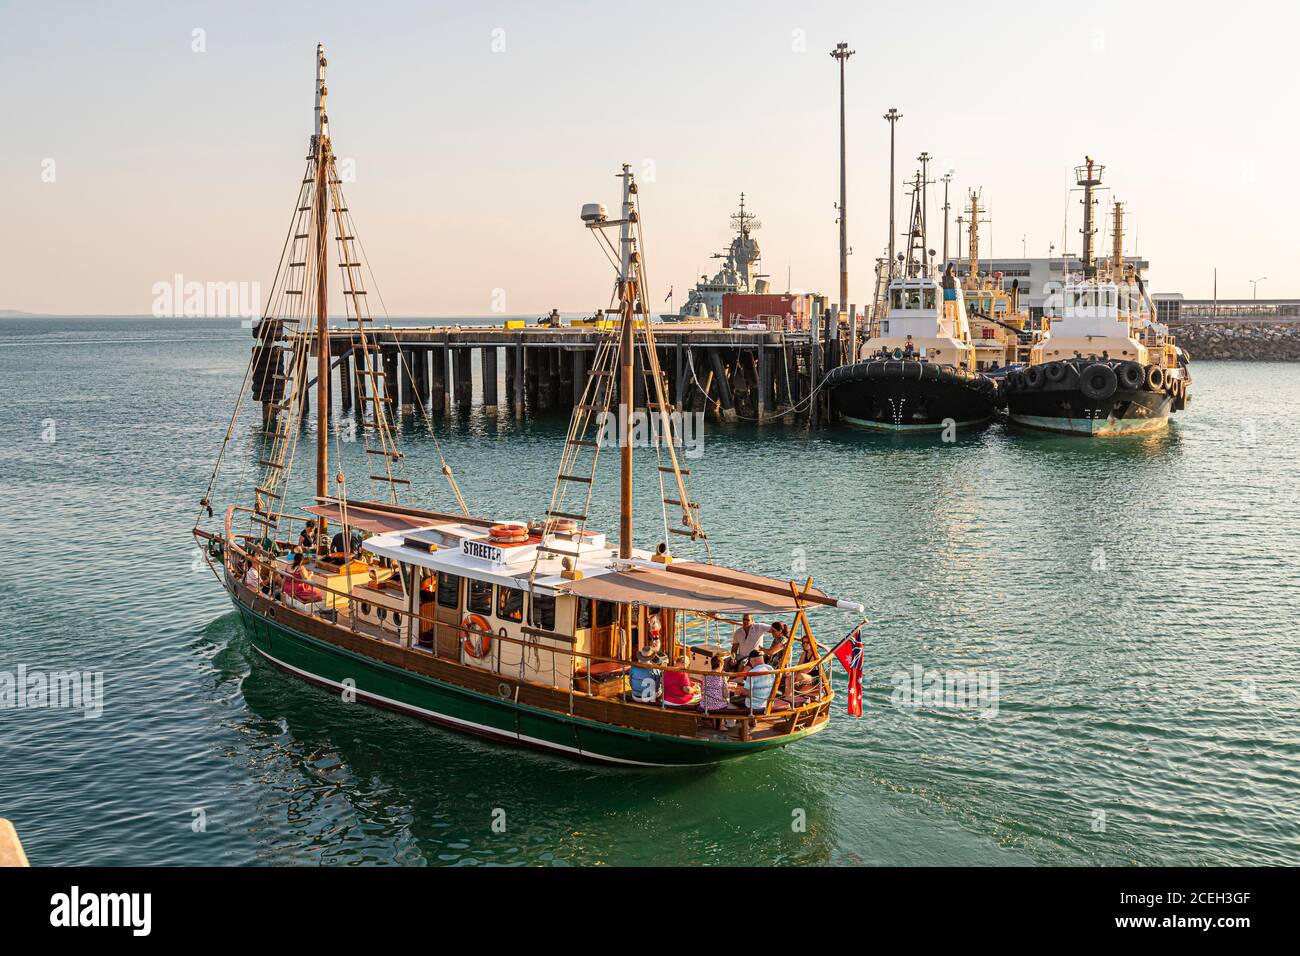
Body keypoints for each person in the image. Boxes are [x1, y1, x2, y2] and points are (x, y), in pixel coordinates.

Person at [629, 636, 668, 702]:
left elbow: (630, 681)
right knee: (661, 689)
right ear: (651, 657)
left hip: (636, 697)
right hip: (651, 697)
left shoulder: (633, 667)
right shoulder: (655, 669)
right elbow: (658, 684)